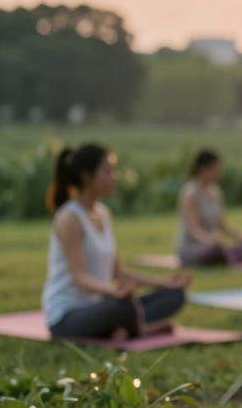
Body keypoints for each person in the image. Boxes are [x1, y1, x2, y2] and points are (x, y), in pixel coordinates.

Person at [42, 144, 191, 340]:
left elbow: (119, 273)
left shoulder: (103, 214)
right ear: (87, 176)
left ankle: (122, 329)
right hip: (68, 317)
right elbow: (79, 277)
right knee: (126, 307)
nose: (115, 176)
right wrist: (114, 291)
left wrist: (165, 282)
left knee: (174, 295)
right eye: (108, 171)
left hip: (102, 307)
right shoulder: (70, 219)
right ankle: (140, 329)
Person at [174, 149, 242, 267]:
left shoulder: (216, 192)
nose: (219, 172)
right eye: (216, 168)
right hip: (193, 247)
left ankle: (226, 255)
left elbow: (223, 226)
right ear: (204, 169)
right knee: (216, 250)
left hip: (213, 245)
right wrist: (210, 240)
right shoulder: (190, 193)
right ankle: (225, 255)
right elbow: (193, 229)